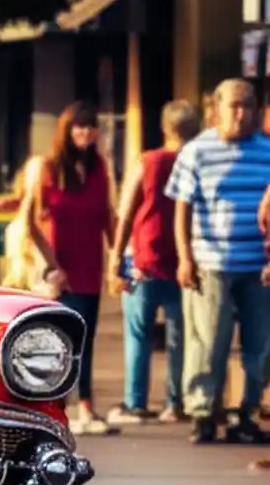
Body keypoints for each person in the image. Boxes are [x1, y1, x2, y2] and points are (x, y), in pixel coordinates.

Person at [165, 78, 270, 445]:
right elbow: (182, 208)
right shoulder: (197, 151)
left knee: (259, 345)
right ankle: (203, 412)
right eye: (234, 106)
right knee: (208, 342)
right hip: (211, 263)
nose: (241, 114)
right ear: (217, 108)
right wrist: (184, 258)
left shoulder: (266, 151)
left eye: (248, 106)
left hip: (258, 265)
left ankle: (248, 412)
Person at [17, 101, 118, 435]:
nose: (86, 133)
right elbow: (29, 223)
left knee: (85, 340)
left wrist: (118, 257)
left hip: (90, 266)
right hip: (58, 271)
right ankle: (52, 409)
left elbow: (107, 217)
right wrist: (51, 266)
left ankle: (86, 407)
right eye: (80, 127)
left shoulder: (98, 167)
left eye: (91, 127)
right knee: (56, 342)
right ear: (67, 130)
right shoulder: (48, 168)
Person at [106, 100, 201, 425]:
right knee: (180, 337)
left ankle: (136, 401)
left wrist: (115, 255)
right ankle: (175, 403)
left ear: (165, 128)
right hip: (184, 263)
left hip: (143, 260)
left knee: (139, 333)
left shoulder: (147, 162)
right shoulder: (197, 161)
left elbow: (127, 211)